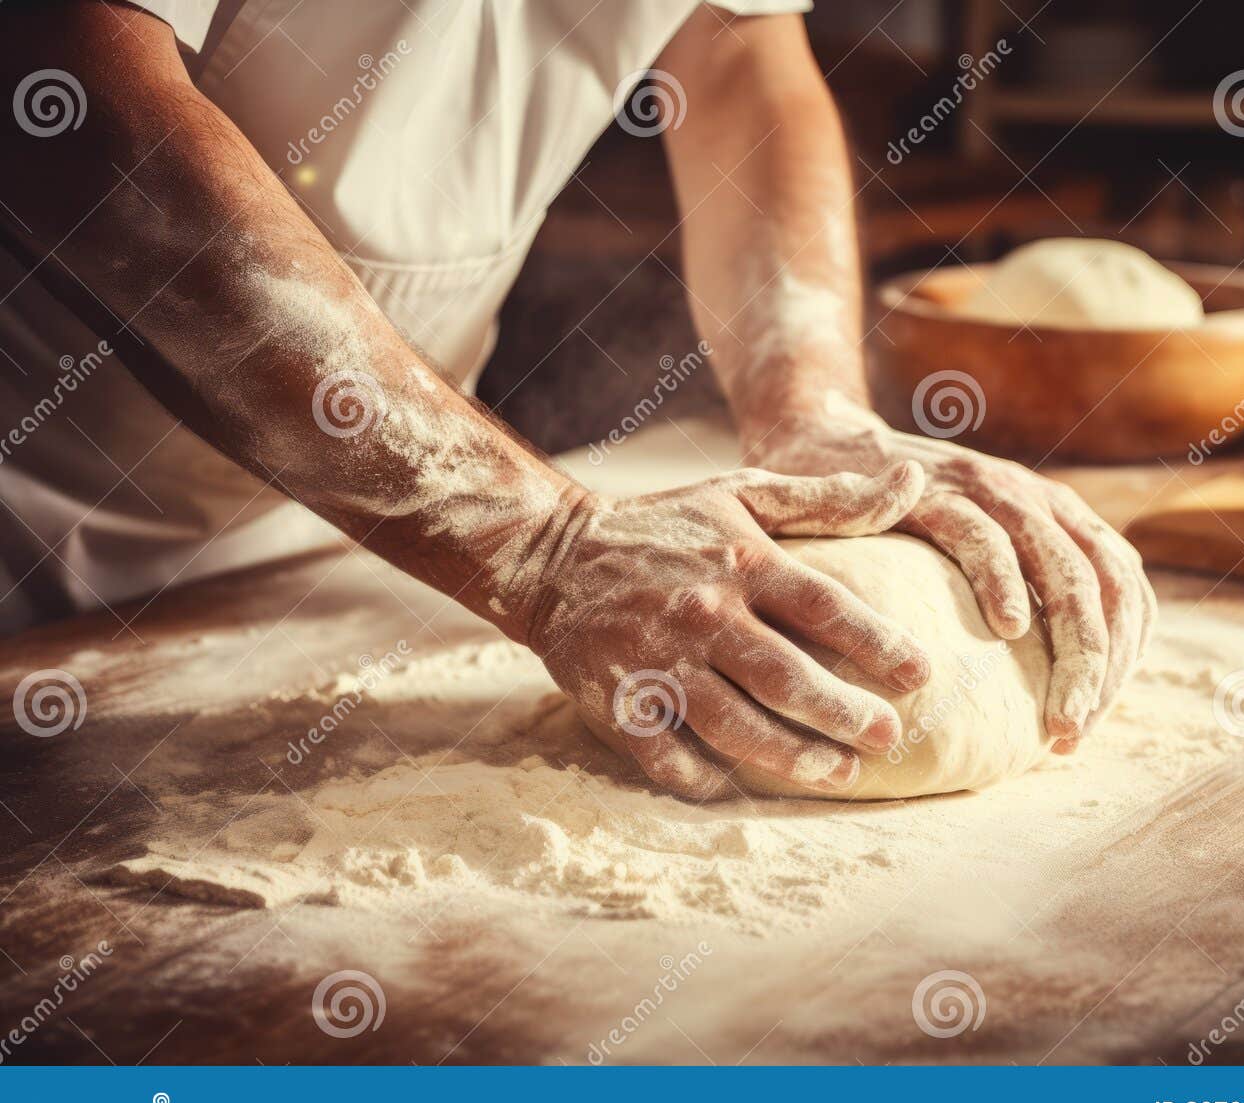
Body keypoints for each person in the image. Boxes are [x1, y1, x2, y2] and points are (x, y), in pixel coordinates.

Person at [0, 1, 1154, 799]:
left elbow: (742, 57)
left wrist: (813, 406)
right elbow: (83, 107)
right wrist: (540, 545)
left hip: (346, 519)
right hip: (29, 517)